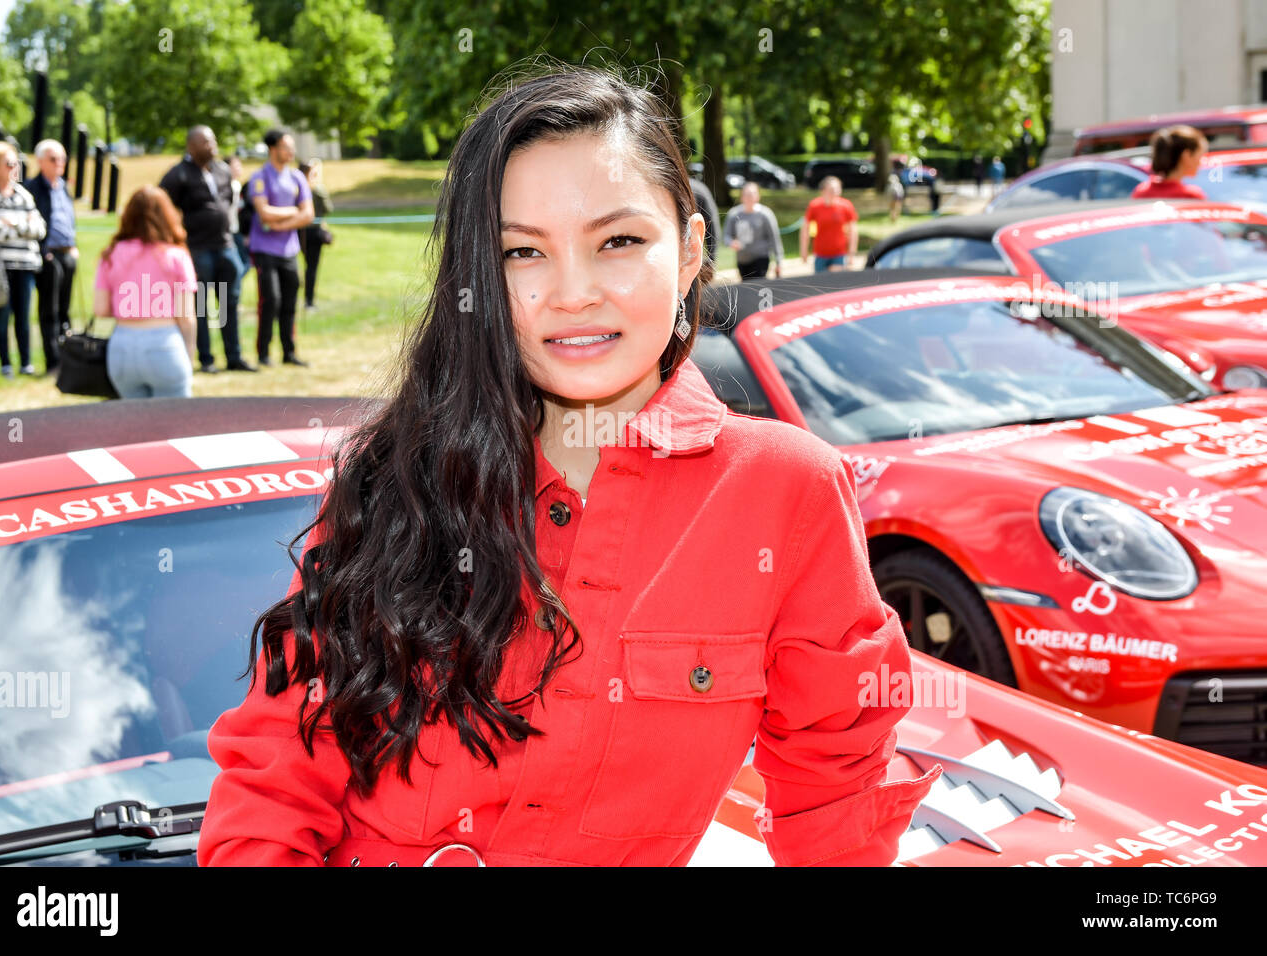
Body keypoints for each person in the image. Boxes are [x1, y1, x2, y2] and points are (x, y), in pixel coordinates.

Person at [197, 66, 941, 868]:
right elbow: (272, 787)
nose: (572, 293)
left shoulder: (784, 494)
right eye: (523, 253)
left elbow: (837, 798)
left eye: (618, 241)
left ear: (690, 250)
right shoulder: (394, 477)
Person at [159, 126, 257, 373]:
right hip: (197, 249)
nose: (211, 147)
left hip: (225, 246)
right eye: (205, 143)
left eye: (213, 141)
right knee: (200, 307)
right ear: (191, 146)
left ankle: (234, 356)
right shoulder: (178, 174)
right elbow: (160, 207)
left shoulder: (222, 170)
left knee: (228, 304)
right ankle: (206, 359)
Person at [93, 185, 198, 398]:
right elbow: (186, 316)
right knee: (174, 425)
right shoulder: (176, 256)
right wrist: (189, 354)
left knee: (134, 427)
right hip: (164, 344)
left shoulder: (111, 253)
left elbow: (100, 309)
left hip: (121, 347)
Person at [0, 142, 45, 378]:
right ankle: (5, 363)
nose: (14, 168)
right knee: (3, 314)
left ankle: (26, 362)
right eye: (9, 163)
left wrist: (12, 223)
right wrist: (23, 226)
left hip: (25, 263)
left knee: (24, 316)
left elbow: (40, 229)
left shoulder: (23, 194)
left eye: (16, 163)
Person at [248, 128, 314, 367]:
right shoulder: (260, 177)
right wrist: (292, 212)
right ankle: (263, 353)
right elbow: (264, 213)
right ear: (273, 149)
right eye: (286, 147)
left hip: (289, 250)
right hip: (265, 250)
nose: (291, 152)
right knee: (270, 299)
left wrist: (281, 222)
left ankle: (289, 351)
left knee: (289, 301)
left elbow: (308, 213)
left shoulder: (296, 177)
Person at [23, 139, 78, 376]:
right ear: (41, 161)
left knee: (65, 310)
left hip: (67, 254)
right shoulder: (32, 188)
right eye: (54, 159)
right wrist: (42, 250)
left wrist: (73, 246)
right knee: (50, 310)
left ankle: (70, 360)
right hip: (47, 256)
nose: (60, 163)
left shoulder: (63, 186)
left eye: (63, 159)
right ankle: (53, 362)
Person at [722, 181, 783, 280]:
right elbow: (726, 236)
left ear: (758, 196)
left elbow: (774, 238)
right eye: (747, 194)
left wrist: (779, 261)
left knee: (758, 285)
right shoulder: (734, 214)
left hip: (760, 258)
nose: (749, 197)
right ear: (742, 197)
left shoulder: (765, 215)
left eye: (752, 194)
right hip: (742, 259)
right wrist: (731, 243)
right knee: (746, 287)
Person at [1132, 125, 1209, 200]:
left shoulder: (1141, 192)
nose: (1200, 163)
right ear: (1187, 156)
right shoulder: (1191, 196)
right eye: (1199, 157)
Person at [297, 159, 333, 311]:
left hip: (298, 231)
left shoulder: (295, 188)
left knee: (306, 267)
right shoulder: (317, 190)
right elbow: (328, 208)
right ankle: (309, 302)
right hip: (311, 231)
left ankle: (307, 300)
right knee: (311, 268)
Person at [800, 176, 858, 272]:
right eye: (831, 189)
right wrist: (804, 250)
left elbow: (853, 230)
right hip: (820, 254)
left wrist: (852, 253)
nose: (835, 192)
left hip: (839, 254)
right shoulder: (814, 206)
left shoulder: (846, 206)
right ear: (823, 190)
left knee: (836, 283)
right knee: (820, 284)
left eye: (837, 189)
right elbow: (805, 229)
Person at [224, 154, 252, 278]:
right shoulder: (225, 186)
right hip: (229, 232)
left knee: (244, 263)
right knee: (241, 264)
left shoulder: (237, 185)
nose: (239, 168)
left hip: (236, 231)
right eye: (236, 165)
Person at [689, 175, 720, 265]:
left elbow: (712, 224)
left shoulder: (697, 189)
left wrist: (711, 258)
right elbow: (713, 224)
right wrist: (712, 259)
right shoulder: (699, 188)